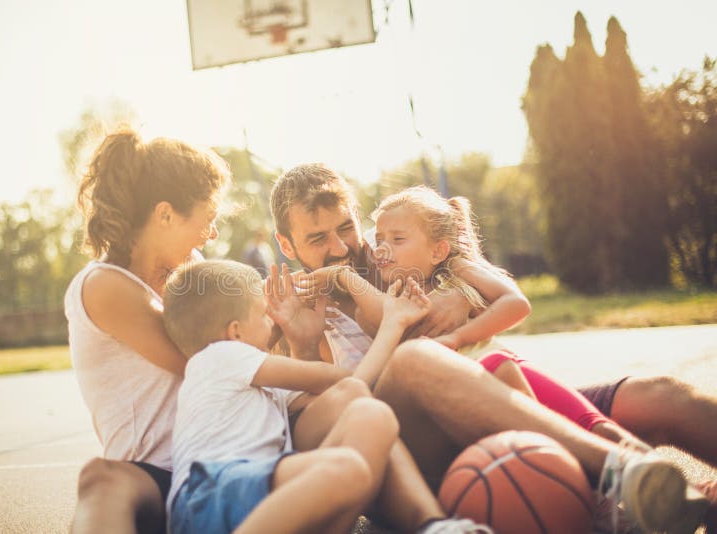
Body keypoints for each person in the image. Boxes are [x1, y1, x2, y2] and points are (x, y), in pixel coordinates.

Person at [269, 163, 712, 533]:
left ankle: (668, 492)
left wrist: (460, 294)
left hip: (492, 392)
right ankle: (619, 470)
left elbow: (481, 277)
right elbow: (326, 416)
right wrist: (304, 345)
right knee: (417, 359)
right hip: (416, 444)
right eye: (317, 239)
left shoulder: (389, 253)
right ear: (286, 245)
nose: (339, 246)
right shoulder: (294, 306)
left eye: (345, 227)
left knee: (658, 395)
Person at [162, 259, 491, 534]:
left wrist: (297, 335)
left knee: (372, 417)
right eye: (264, 314)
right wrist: (393, 324)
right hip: (212, 492)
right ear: (234, 332)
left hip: (261, 492)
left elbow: (350, 390)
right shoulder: (219, 356)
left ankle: (434, 527)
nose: (272, 321)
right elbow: (337, 378)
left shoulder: (254, 382)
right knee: (347, 467)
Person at [298, 185, 633, 444]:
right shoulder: (390, 296)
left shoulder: (454, 267)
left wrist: (459, 336)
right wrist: (341, 277)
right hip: (468, 392)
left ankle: (664, 490)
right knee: (547, 448)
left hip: (502, 367)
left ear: (438, 249)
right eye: (379, 240)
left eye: (396, 239)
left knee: (594, 429)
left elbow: (516, 303)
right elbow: (378, 317)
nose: (382, 249)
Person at [65, 128, 231, 533]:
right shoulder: (103, 285)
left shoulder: (189, 270)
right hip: (153, 475)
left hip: (220, 462)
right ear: (165, 215)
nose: (212, 234)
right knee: (102, 479)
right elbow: (199, 360)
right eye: (208, 219)